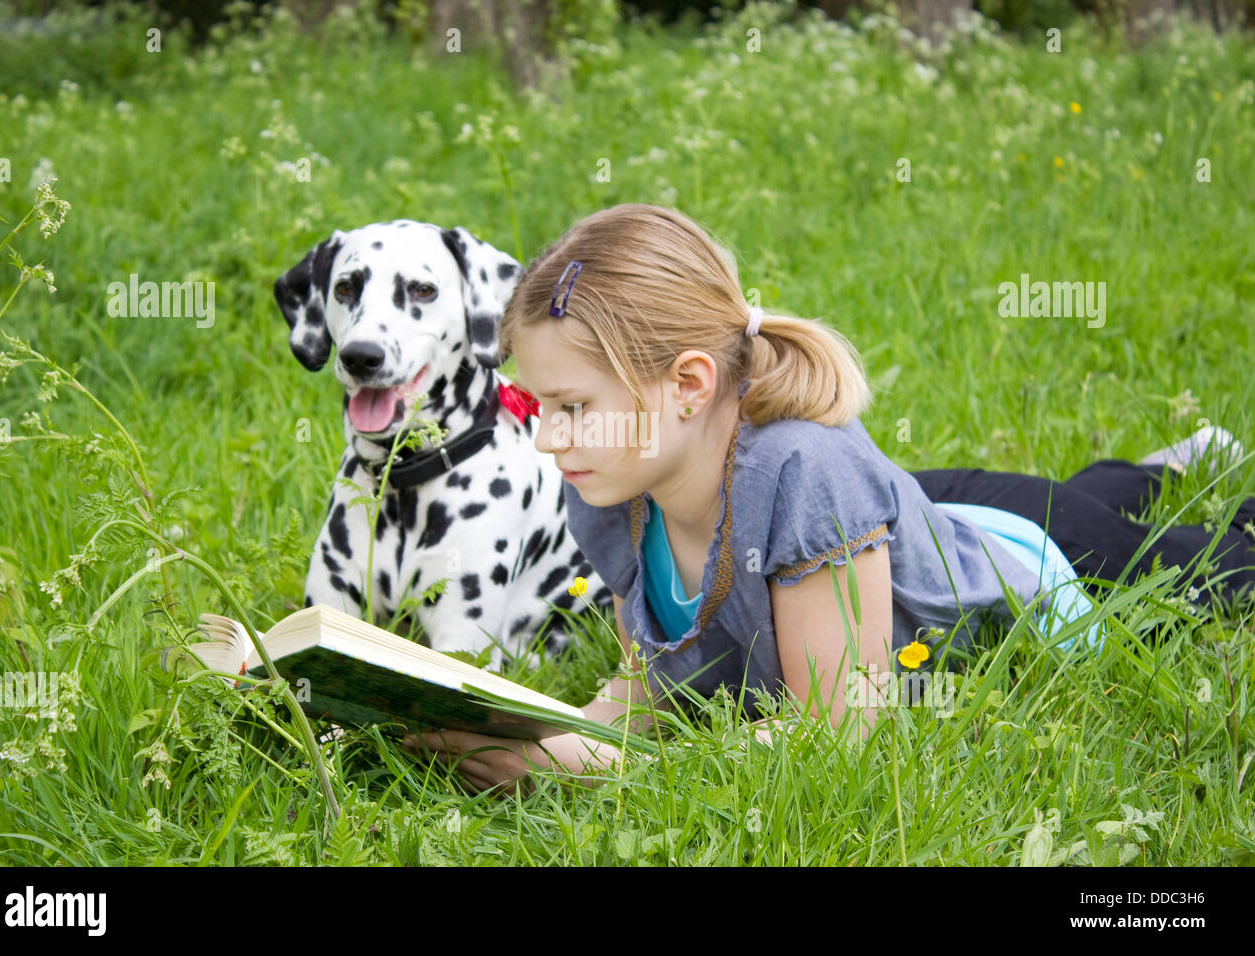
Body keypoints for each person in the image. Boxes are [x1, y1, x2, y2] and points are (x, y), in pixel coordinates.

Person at [402, 203, 1255, 795]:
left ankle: (1155, 484)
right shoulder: (613, 485)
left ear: (689, 383)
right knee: (1043, 494)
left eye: (573, 408)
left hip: (1029, 558)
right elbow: (648, 682)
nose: (547, 439)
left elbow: (844, 732)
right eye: (536, 407)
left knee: (1218, 564)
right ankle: (1150, 467)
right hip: (888, 522)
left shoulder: (812, 476)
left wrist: (592, 768)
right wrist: (550, 736)